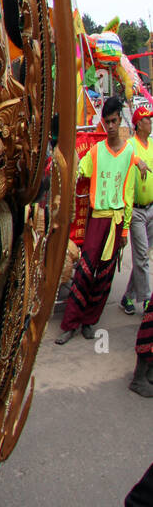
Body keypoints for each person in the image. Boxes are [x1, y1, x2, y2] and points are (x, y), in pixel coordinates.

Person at [57, 96, 143, 345]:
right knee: (85, 271)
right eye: (107, 122)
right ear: (103, 124)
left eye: (114, 121)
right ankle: (71, 323)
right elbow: (79, 169)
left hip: (116, 222)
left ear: (120, 120)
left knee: (105, 275)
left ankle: (89, 321)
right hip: (97, 218)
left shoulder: (129, 153)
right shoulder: (95, 152)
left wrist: (125, 228)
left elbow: (128, 193)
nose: (111, 126)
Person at [122, 105, 153, 315]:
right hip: (136, 212)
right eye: (147, 120)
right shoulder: (130, 147)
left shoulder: (152, 145)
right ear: (138, 124)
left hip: (152, 208)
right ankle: (147, 301)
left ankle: (127, 297)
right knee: (141, 256)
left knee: (142, 257)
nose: (150, 123)